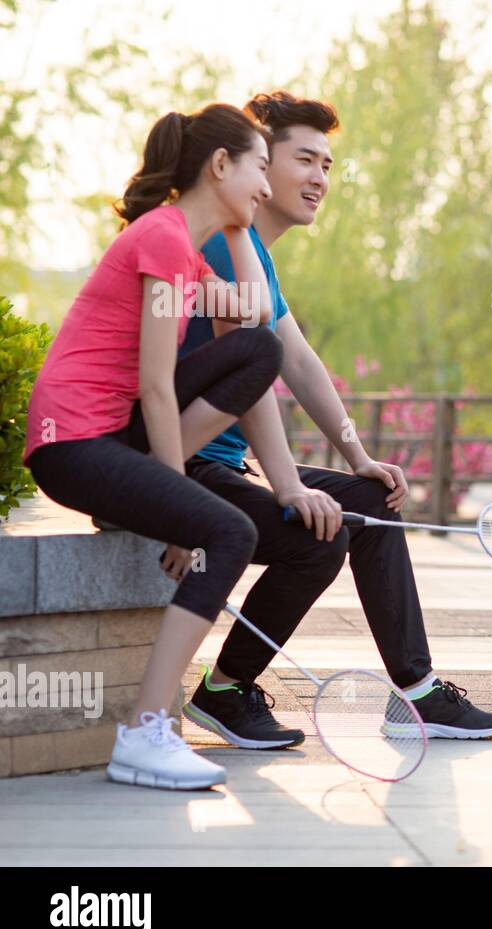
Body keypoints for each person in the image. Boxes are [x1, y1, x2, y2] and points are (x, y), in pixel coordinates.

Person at [177, 92, 492, 747]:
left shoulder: (253, 254)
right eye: (305, 159)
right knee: (319, 532)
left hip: (218, 464)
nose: (320, 180)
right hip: (180, 465)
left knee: (370, 498)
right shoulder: (219, 248)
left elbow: (299, 361)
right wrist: (285, 486)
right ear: (253, 164)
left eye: (328, 165)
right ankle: (225, 688)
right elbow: (253, 382)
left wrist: (358, 456)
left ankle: (415, 694)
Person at [24, 104, 285, 789]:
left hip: (109, 435)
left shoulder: (183, 247)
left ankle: (149, 731)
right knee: (226, 531)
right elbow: (156, 387)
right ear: (220, 164)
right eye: (260, 166)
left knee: (258, 351)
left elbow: (255, 315)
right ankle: (146, 731)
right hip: (73, 441)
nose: (267, 185)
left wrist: (237, 226)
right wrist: (180, 506)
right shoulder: (163, 241)